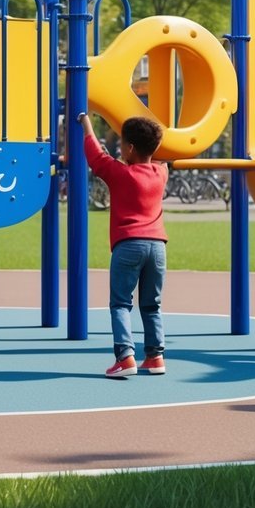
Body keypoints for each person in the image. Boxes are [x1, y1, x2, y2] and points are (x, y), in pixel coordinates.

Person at [79, 112, 169, 379]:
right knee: (151, 304)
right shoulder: (161, 172)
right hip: (158, 246)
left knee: (120, 303)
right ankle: (154, 356)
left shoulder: (120, 174)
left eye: (122, 143)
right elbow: (148, 158)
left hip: (129, 244)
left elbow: (96, 157)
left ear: (130, 148)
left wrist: (86, 124)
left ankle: (125, 356)